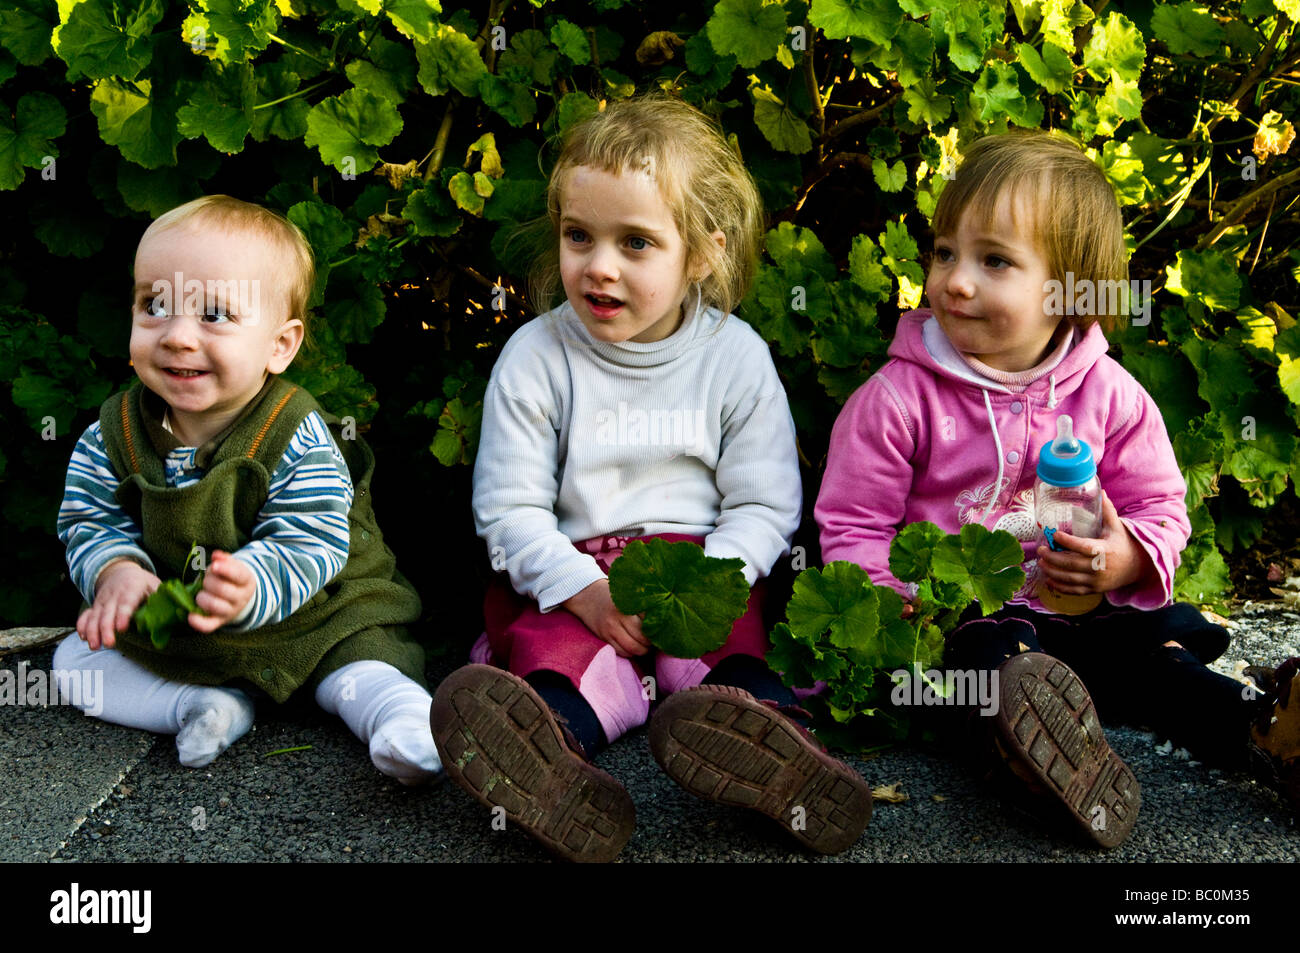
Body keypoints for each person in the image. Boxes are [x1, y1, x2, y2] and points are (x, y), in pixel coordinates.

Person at [815, 130, 1299, 847]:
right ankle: (1038, 757)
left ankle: (1266, 730)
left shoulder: (1111, 395)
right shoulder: (897, 398)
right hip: (963, 619)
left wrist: (1125, 559)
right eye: (945, 250)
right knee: (991, 665)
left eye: (994, 261)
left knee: (1158, 665)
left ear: (1068, 288)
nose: (954, 279)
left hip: (1087, 613)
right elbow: (853, 527)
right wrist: (900, 611)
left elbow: (1160, 507)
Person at [431, 94, 873, 862]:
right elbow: (509, 510)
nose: (598, 265)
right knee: (555, 656)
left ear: (700, 253)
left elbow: (765, 502)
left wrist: (712, 581)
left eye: (635, 242)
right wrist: (585, 591)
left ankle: (776, 751)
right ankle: (547, 762)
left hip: (696, 570)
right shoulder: (538, 358)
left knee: (731, 661)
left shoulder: (733, 358)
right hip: (576, 576)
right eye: (579, 236)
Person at [54, 195, 441, 785]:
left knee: (364, 670)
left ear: (279, 346)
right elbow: (88, 520)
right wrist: (115, 572)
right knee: (75, 661)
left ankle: (408, 726)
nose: (178, 337)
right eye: (155, 305)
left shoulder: (296, 435)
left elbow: (312, 540)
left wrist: (252, 584)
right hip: (190, 633)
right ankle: (198, 707)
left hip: (318, 618)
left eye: (214, 315)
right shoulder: (114, 433)